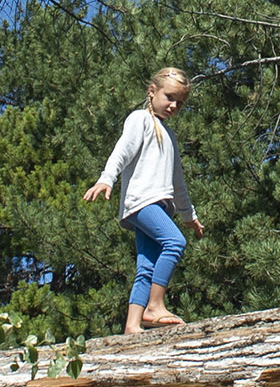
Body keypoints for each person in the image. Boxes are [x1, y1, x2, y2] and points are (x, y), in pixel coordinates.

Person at [82, 67, 208, 336]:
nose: (174, 105)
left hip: (158, 206)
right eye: (170, 97)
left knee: (147, 265)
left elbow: (178, 184)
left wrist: (189, 215)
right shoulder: (139, 119)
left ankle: (132, 325)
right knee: (174, 243)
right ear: (152, 92)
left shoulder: (170, 137)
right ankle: (155, 305)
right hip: (141, 202)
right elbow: (122, 151)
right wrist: (107, 179)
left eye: (180, 103)